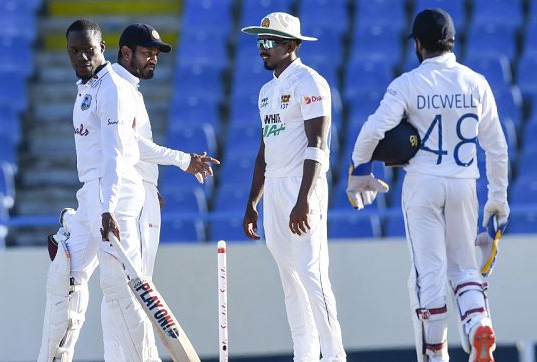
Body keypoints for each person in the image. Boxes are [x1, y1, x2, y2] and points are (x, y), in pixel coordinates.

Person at [345, 8, 509, 362]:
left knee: (429, 274)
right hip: (464, 184)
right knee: (465, 268)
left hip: (423, 184)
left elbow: (374, 129)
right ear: (451, 42)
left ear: (418, 44)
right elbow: (496, 147)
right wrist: (497, 200)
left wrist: (359, 172)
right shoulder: (476, 82)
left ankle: (435, 356)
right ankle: (478, 322)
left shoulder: (407, 84)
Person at [37, 19, 154, 362]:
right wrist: (90, 209)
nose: (82, 57)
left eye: (89, 50)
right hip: (90, 194)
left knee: (119, 289)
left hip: (111, 195)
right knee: (64, 276)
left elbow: (118, 153)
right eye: (75, 51)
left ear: (102, 48)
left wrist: (108, 208)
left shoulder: (112, 88)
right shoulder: (86, 87)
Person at [241, 12, 347, 362]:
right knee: (290, 282)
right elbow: (264, 150)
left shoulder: (311, 83)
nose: (262, 48)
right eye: (260, 41)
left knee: (311, 275)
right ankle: (305, 356)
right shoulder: (266, 91)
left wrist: (303, 200)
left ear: (292, 46)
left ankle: (334, 356)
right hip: (273, 189)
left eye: (269, 42)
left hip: (303, 189)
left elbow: (318, 145)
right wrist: (252, 202)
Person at [112, 23, 220, 278]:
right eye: (147, 52)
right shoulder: (117, 88)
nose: (153, 59)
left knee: (136, 281)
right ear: (126, 53)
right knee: (132, 282)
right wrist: (184, 160)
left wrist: (149, 183)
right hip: (129, 195)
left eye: (156, 54)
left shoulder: (127, 87)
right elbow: (130, 143)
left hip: (139, 189)